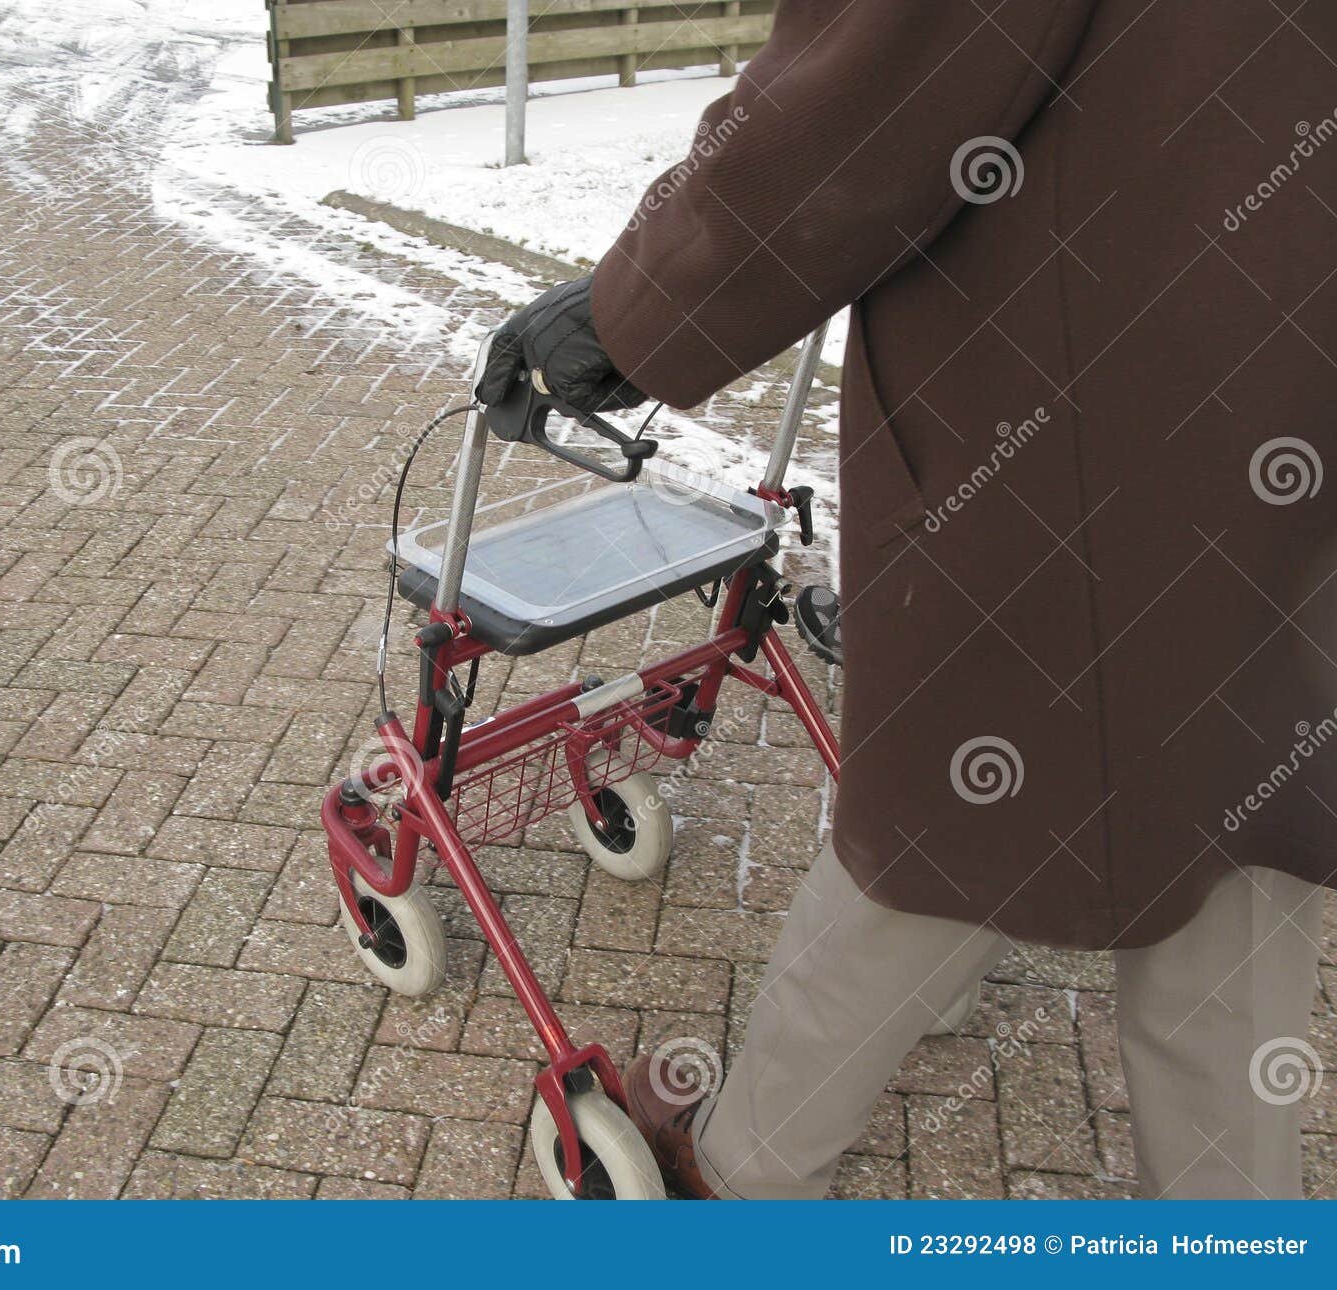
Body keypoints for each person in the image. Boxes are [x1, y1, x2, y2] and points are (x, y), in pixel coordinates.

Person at [479, 0, 1337, 1199]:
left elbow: (879, 83)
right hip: (1289, 354)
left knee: (950, 793)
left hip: (1079, 378)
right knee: (1236, 795)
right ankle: (1236, 1225)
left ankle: (735, 1178)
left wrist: (635, 308)